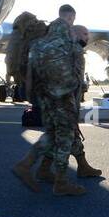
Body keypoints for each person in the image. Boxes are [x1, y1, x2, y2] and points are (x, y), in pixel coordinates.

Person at [13, 5, 85, 196]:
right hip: (64, 99)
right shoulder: (72, 47)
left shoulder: (37, 45)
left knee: (52, 134)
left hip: (44, 98)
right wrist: (75, 108)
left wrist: (32, 98)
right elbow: (78, 81)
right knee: (65, 138)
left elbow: (29, 76)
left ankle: (29, 165)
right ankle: (60, 182)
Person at [33, 24, 103, 183]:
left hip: (67, 102)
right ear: (74, 33)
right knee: (63, 137)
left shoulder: (74, 51)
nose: (88, 37)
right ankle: (57, 178)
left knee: (70, 136)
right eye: (84, 34)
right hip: (62, 103)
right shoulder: (68, 51)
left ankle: (82, 166)